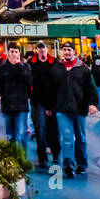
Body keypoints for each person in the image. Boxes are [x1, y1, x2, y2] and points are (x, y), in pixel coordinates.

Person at [51, 42, 99, 178]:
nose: (66, 52)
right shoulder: (57, 69)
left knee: (81, 138)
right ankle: (69, 164)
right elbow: (51, 89)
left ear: (75, 52)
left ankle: (82, 163)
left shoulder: (84, 69)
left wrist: (93, 103)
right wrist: (50, 106)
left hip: (80, 108)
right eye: (64, 50)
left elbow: (91, 88)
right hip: (62, 109)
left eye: (69, 50)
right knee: (67, 138)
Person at [0, 46, 33, 151]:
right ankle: (12, 161)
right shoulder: (1, 69)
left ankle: (22, 162)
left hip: (21, 105)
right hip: (7, 106)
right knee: (10, 136)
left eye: (16, 52)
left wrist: (19, 66)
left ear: (19, 54)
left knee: (21, 134)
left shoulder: (25, 67)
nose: (14, 54)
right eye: (12, 51)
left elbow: (29, 81)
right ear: (8, 53)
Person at [29, 41, 60, 169]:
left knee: (53, 130)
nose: (42, 50)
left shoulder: (55, 63)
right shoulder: (31, 63)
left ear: (47, 49)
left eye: (44, 48)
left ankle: (56, 154)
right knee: (40, 130)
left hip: (53, 101)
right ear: (37, 50)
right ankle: (42, 158)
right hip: (37, 101)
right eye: (40, 48)